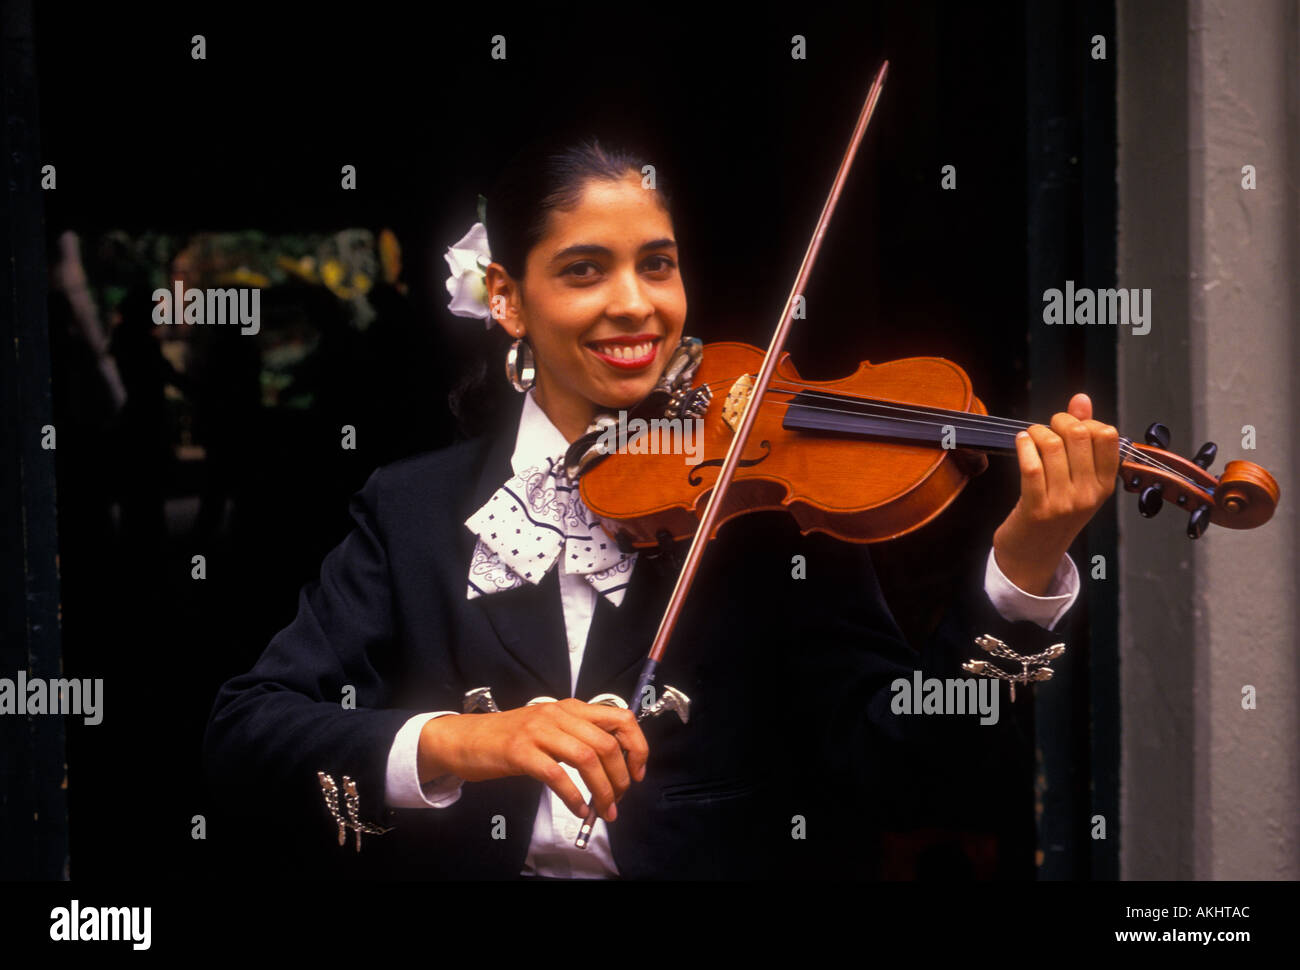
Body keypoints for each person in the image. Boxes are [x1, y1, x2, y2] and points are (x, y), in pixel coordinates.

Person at [203, 136, 1119, 880]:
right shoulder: (413, 508)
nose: (635, 305)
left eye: (658, 265)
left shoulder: (760, 502)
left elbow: (909, 770)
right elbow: (248, 733)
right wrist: (466, 740)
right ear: (508, 300)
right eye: (585, 271)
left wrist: (1022, 573)